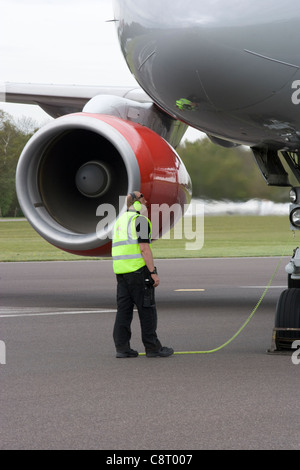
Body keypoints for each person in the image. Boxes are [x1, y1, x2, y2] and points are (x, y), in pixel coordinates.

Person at [111, 191, 174, 358]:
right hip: (138, 271)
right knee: (147, 310)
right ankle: (152, 347)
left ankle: (122, 348)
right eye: (144, 198)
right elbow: (144, 248)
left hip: (121, 273)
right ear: (137, 202)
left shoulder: (119, 221)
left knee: (123, 311)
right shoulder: (140, 221)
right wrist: (152, 272)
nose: (147, 202)